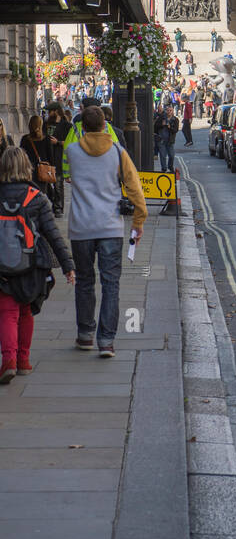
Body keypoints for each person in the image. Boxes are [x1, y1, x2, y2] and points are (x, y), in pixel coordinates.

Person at [66, 105, 147, 358]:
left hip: (81, 227)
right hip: (111, 227)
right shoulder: (117, 152)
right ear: (104, 126)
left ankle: (85, 335)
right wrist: (138, 221)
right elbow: (135, 189)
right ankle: (106, 341)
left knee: (84, 281)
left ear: (83, 126)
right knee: (110, 283)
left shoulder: (71, 151)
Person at [0, 146, 76, 383]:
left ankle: (8, 361)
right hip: (31, 264)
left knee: (7, 312)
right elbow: (53, 235)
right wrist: (68, 265)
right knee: (25, 311)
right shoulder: (37, 198)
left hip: (2, 267)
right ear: (27, 168)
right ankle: (23, 361)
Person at [20, 114, 61, 214]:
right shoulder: (46, 139)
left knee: (30, 192)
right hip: (42, 170)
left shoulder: (25, 139)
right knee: (42, 191)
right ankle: (51, 207)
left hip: (29, 171)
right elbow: (50, 156)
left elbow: (21, 155)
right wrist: (52, 168)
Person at [154, 105, 179, 171]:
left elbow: (175, 130)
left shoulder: (175, 120)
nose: (169, 112)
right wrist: (161, 125)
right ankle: (164, 168)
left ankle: (170, 166)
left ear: (173, 112)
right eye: (168, 110)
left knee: (171, 155)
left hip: (170, 140)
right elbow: (155, 127)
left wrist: (170, 127)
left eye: (170, 111)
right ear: (166, 111)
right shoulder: (161, 118)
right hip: (161, 140)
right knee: (163, 156)